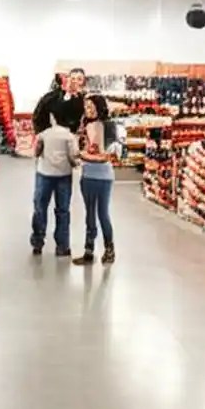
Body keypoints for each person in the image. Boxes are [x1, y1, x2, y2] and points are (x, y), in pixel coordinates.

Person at [75, 94, 117, 265]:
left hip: (102, 176)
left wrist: (82, 155)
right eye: (86, 107)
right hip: (87, 175)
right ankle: (88, 251)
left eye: (92, 107)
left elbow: (106, 156)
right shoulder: (86, 126)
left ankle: (109, 250)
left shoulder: (108, 127)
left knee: (102, 214)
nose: (88, 110)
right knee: (90, 215)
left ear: (100, 108)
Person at [32, 114, 80, 256]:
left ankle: (38, 243)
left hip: (44, 174)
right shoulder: (70, 137)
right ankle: (62, 246)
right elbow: (73, 157)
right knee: (63, 211)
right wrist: (74, 164)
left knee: (40, 208)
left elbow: (36, 152)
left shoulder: (44, 134)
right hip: (64, 176)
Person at [32, 68, 87, 134]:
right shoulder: (50, 98)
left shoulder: (85, 99)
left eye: (79, 79)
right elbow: (38, 120)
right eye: (72, 78)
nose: (75, 82)